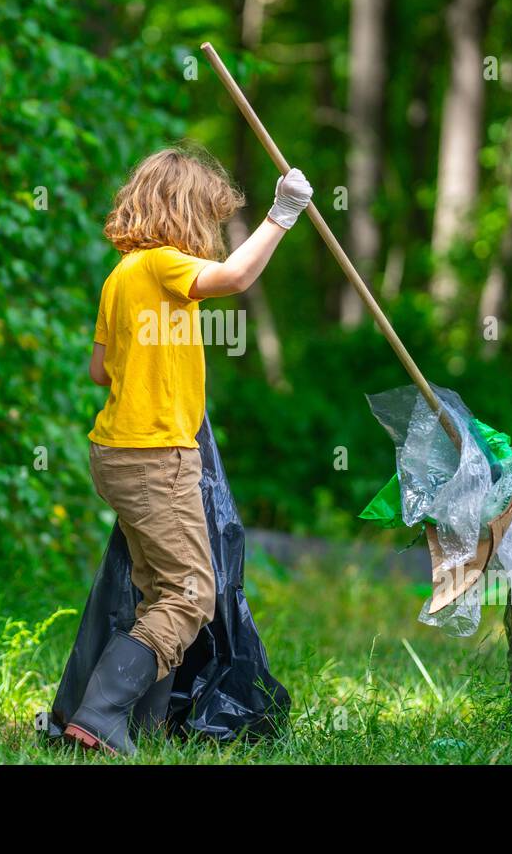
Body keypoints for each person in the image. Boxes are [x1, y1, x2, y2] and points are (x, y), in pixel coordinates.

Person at [63, 145, 312, 754]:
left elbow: (100, 370)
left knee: (156, 592)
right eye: (210, 216)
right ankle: (98, 714)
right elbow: (233, 278)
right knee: (191, 594)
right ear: (184, 212)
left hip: (116, 453)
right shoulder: (161, 264)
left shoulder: (121, 275)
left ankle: (138, 729)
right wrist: (281, 215)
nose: (213, 232)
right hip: (156, 457)